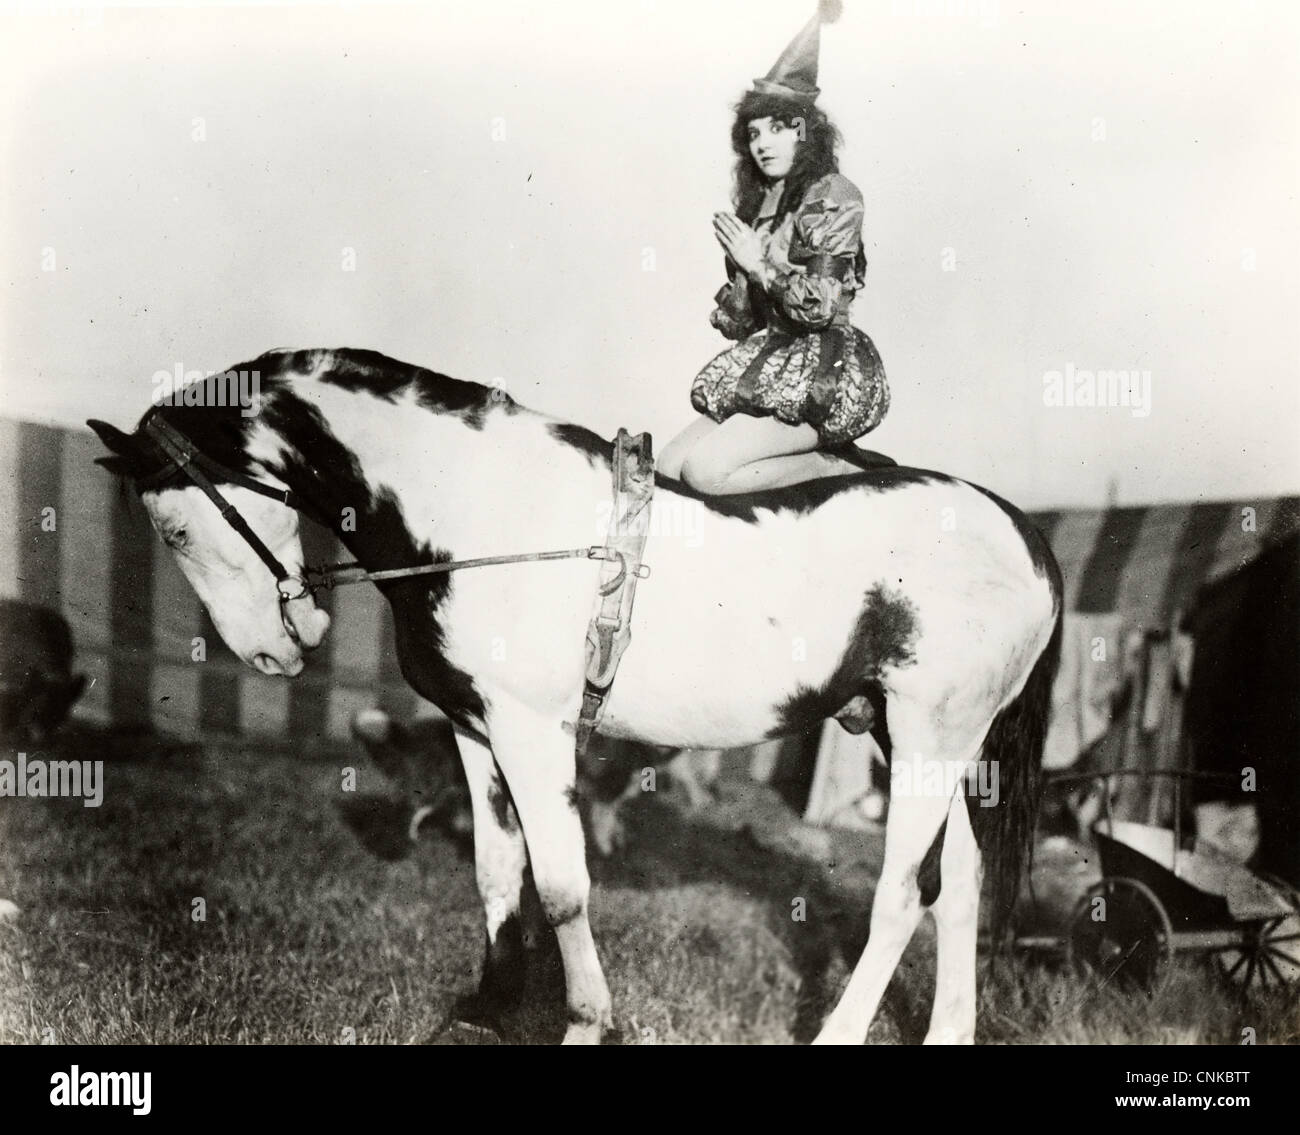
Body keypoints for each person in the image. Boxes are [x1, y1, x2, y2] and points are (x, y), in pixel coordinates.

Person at [659, 0, 892, 494]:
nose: (763, 142)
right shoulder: (759, 209)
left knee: (707, 472)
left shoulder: (833, 195)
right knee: (668, 467)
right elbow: (744, 324)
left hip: (824, 371)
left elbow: (820, 306)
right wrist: (742, 281)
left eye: (778, 128)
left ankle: (843, 469)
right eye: (754, 132)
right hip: (769, 365)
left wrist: (758, 265)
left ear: (805, 131)